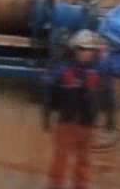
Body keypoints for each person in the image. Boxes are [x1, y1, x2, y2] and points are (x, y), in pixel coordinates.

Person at [44, 29, 115, 189]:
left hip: (88, 124)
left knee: (84, 160)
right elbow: (49, 93)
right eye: (81, 49)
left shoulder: (100, 71)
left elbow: (109, 95)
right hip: (66, 123)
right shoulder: (63, 70)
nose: (85, 53)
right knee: (60, 158)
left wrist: (111, 118)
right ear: (74, 50)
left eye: (89, 49)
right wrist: (46, 117)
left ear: (94, 51)